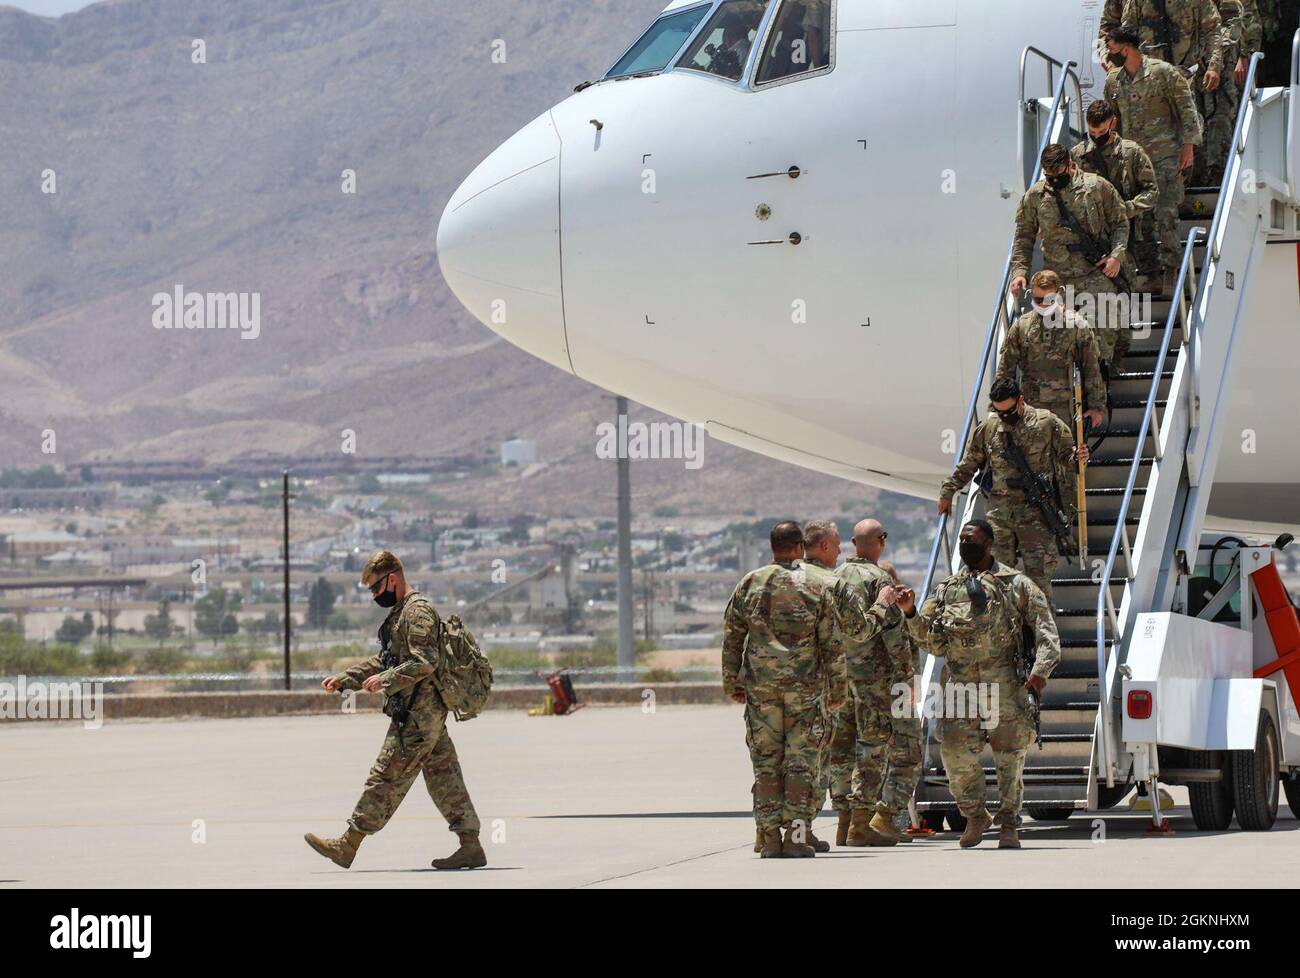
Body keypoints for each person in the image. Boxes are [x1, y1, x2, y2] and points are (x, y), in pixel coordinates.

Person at [305, 550, 485, 871]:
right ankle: (470, 845)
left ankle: (348, 844)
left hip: (419, 715)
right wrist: (348, 679)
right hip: (425, 713)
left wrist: (385, 680)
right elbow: (387, 660)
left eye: (376, 588)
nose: (375, 595)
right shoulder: (401, 612)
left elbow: (425, 661)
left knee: (385, 776)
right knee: (445, 778)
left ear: (393, 578)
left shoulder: (418, 612)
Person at [900, 520, 1061, 849]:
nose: (964, 544)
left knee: (1009, 758)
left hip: (1004, 683)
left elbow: (1046, 631)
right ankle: (975, 815)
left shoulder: (1016, 584)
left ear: (989, 543)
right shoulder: (946, 590)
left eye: (970, 539)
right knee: (954, 753)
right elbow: (932, 641)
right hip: (960, 686)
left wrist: (1040, 673)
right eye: (961, 539)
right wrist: (911, 613)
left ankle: (1009, 825)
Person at [722, 521, 872, 858]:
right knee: (801, 766)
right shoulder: (814, 586)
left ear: (773, 546)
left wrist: (732, 680)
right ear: (799, 546)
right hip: (805, 692)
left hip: (762, 692)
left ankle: (769, 839)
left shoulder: (751, 582)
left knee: (766, 764)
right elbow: (831, 642)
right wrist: (837, 689)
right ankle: (795, 837)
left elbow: (732, 636)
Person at [939, 377, 1087, 606]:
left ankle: (1042, 633)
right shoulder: (989, 428)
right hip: (1000, 514)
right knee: (996, 578)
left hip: (1036, 513)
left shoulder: (1046, 423)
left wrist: (1078, 457)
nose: (1005, 417)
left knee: (1038, 579)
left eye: (1009, 411)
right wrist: (948, 491)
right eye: (1000, 413)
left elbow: (1068, 457)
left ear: (1020, 401)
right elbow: (969, 462)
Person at [835, 519, 922, 846]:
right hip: (877, 683)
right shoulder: (879, 580)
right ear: (881, 542)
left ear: (853, 543)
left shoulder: (835, 578)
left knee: (842, 749)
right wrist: (908, 680)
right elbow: (896, 637)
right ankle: (866, 823)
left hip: (841, 681)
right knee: (877, 752)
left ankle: (844, 821)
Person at [1104, 25, 1204, 296]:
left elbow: (1187, 110)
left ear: (1126, 49)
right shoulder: (1114, 81)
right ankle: (1150, 273)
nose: (1107, 54)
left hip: (1166, 157)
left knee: (1166, 214)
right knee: (1139, 220)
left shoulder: (1163, 73)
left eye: (1111, 49)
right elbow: (1112, 121)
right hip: (1133, 162)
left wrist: (1188, 146)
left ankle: (1171, 272)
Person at [1010, 144, 1130, 340]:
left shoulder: (1097, 186)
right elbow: (1023, 236)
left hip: (1094, 274)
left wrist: (1116, 256)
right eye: (1049, 175)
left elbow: (1120, 222)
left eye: (1058, 172)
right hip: (1057, 280)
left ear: (1070, 164)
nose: (1054, 179)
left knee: (1104, 339)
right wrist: (1019, 272)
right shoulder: (1035, 197)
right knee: (1058, 342)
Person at [1072, 99, 1161, 320]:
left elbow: (1152, 192)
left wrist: (1126, 208)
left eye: (1101, 131)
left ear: (1113, 123)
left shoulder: (1131, 153)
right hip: (1092, 237)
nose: (1096, 136)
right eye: (1092, 131)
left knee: (1124, 296)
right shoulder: (1078, 155)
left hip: (1128, 234)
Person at [801, 519, 856, 848]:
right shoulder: (832, 584)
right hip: (819, 691)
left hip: (776, 689)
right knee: (815, 763)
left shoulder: (776, 579)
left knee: (776, 761)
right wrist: (883, 606)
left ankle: (765, 831)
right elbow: (859, 630)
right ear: (823, 547)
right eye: (836, 546)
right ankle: (802, 831)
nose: (840, 552)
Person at [996, 269, 1108, 428]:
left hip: (1068, 410)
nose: (1043, 304)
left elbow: (1092, 368)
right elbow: (1006, 370)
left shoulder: (1076, 326)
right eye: (1038, 299)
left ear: (1058, 294)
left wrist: (1096, 407)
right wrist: (1002, 407)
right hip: (1030, 411)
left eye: (1049, 299)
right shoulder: (1022, 327)